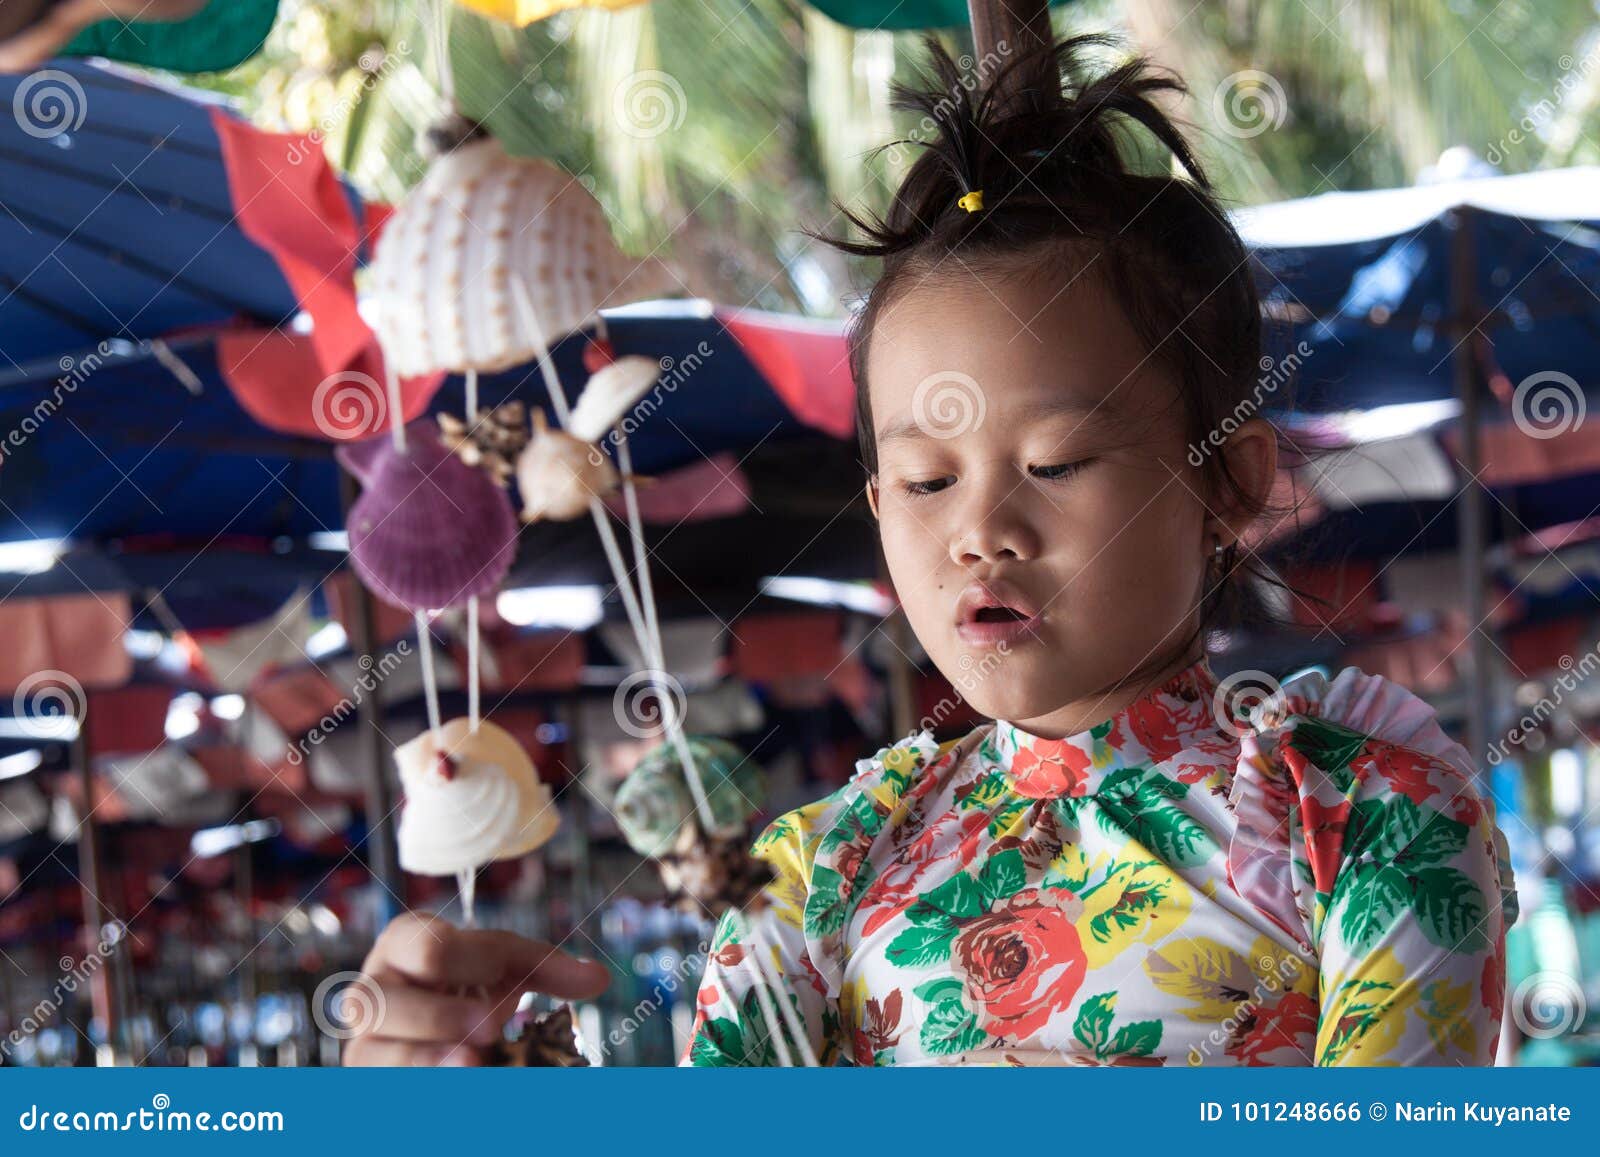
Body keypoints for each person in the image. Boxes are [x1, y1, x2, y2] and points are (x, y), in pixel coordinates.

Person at [345, 33, 1517, 1068]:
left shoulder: (1367, 826)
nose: (979, 532)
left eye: (1054, 463)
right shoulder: (813, 869)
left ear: (1227, 478)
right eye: (924, 480)